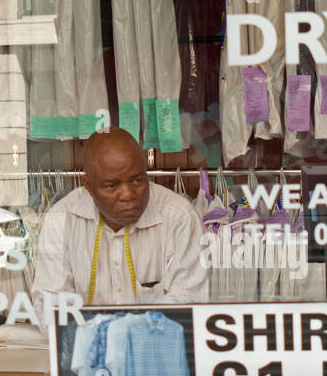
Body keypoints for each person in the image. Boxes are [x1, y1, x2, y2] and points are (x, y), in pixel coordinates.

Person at [31, 128, 209, 310]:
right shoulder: (62, 220)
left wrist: (121, 332)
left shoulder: (180, 218)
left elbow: (189, 301)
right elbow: (51, 304)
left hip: (153, 338)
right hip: (88, 338)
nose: (127, 194)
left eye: (137, 180)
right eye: (112, 185)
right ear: (89, 187)